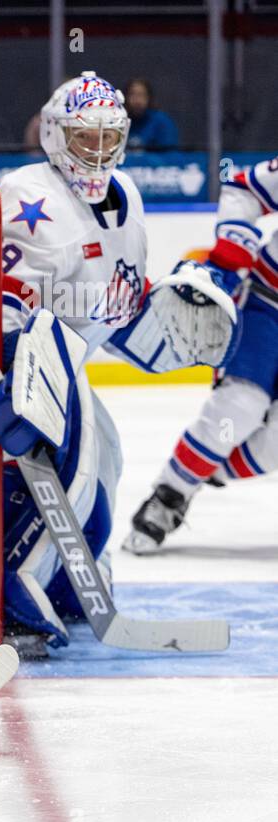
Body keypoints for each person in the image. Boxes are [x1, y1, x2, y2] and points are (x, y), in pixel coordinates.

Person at [0, 72, 237, 659]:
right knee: (46, 464)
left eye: (111, 138)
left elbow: (112, 305)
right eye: (86, 138)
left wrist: (166, 319)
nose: (100, 151)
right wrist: (14, 398)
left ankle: (63, 584)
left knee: (103, 457)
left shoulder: (125, 197)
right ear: (56, 137)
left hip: (38, 358)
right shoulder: (33, 200)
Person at [123, 157, 278, 553]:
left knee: (272, 444)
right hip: (266, 308)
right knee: (238, 409)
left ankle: (205, 468)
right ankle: (170, 495)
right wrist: (234, 247)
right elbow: (242, 188)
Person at [123, 78, 179, 152]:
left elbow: (170, 156)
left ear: (149, 98)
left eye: (141, 95)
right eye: (132, 94)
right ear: (125, 98)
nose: (137, 101)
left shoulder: (162, 122)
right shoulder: (119, 121)